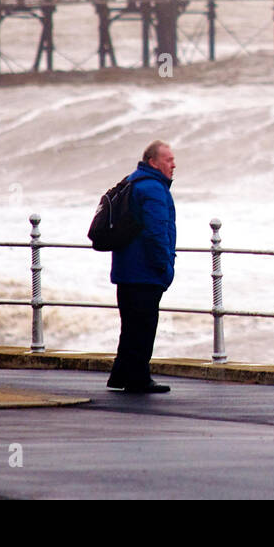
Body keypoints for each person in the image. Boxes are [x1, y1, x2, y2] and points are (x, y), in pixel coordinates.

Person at [107, 140, 177, 393]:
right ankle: (138, 378)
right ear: (153, 162)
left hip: (125, 270)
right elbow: (156, 233)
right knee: (144, 326)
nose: (174, 164)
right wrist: (165, 267)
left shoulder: (132, 182)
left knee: (130, 327)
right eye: (168, 160)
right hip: (144, 271)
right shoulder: (154, 189)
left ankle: (120, 375)